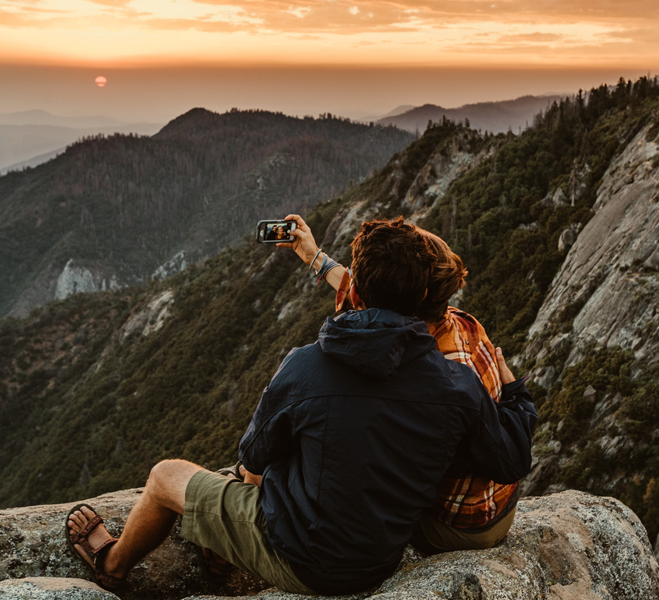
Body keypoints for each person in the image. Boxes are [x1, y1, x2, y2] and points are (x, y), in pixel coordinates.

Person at [66, 217, 537, 595]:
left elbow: (253, 459)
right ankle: (222, 548)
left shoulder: (306, 367)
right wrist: (515, 394)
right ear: (425, 299)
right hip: (381, 557)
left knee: (167, 475)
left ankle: (112, 564)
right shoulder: (457, 382)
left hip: (308, 562)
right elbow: (510, 460)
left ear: (357, 294)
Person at [278, 214, 523, 553]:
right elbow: (372, 296)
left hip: (456, 525)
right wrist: (315, 257)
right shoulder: (461, 322)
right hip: (497, 507)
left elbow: (373, 303)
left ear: (414, 293)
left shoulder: (433, 367)